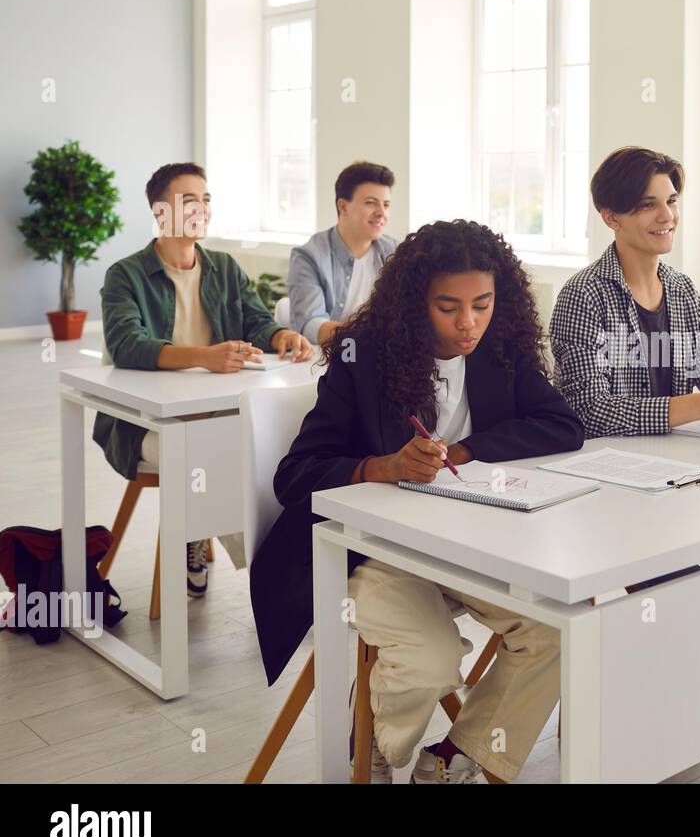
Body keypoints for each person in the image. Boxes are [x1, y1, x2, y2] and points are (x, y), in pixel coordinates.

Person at [250, 219, 584, 784]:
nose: (468, 323)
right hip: (366, 552)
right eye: (448, 307)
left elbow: (562, 425)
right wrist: (382, 467)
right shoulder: (365, 359)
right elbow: (295, 475)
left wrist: (465, 448)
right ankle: (377, 743)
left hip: (462, 546)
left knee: (555, 633)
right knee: (430, 661)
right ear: (414, 303)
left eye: (482, 303)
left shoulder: (500, 348)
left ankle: (454, 757)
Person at [96, 162, 312, 596]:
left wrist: (281, 334)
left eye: (206, 198)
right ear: (160, 213)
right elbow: (126, 344)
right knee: (216, 453)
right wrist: (205, 358)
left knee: (270, 444)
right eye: (188, 200)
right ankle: (271, 573)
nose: (202, 208)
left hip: (216, 411)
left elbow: (256, 320)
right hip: (146, 423)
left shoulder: (225, 269)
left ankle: (263, 560)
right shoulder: (126, 274)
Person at [549, 146, 700, 436]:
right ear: (611, 217)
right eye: (648, 205)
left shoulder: (683, 290)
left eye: (671, 201)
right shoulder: (583, 296)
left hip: (676, 460)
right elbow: (589, 412)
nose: (667, 216)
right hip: (608, 463)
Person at [288, 161, 399, 345]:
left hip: (382, 358)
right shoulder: (309, 256)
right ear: (343, 206)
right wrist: (370, 337)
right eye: (371, 203)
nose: (381, 213)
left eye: (386, 205)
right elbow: (310, 325)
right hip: (329, 359)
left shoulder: (395, 253)